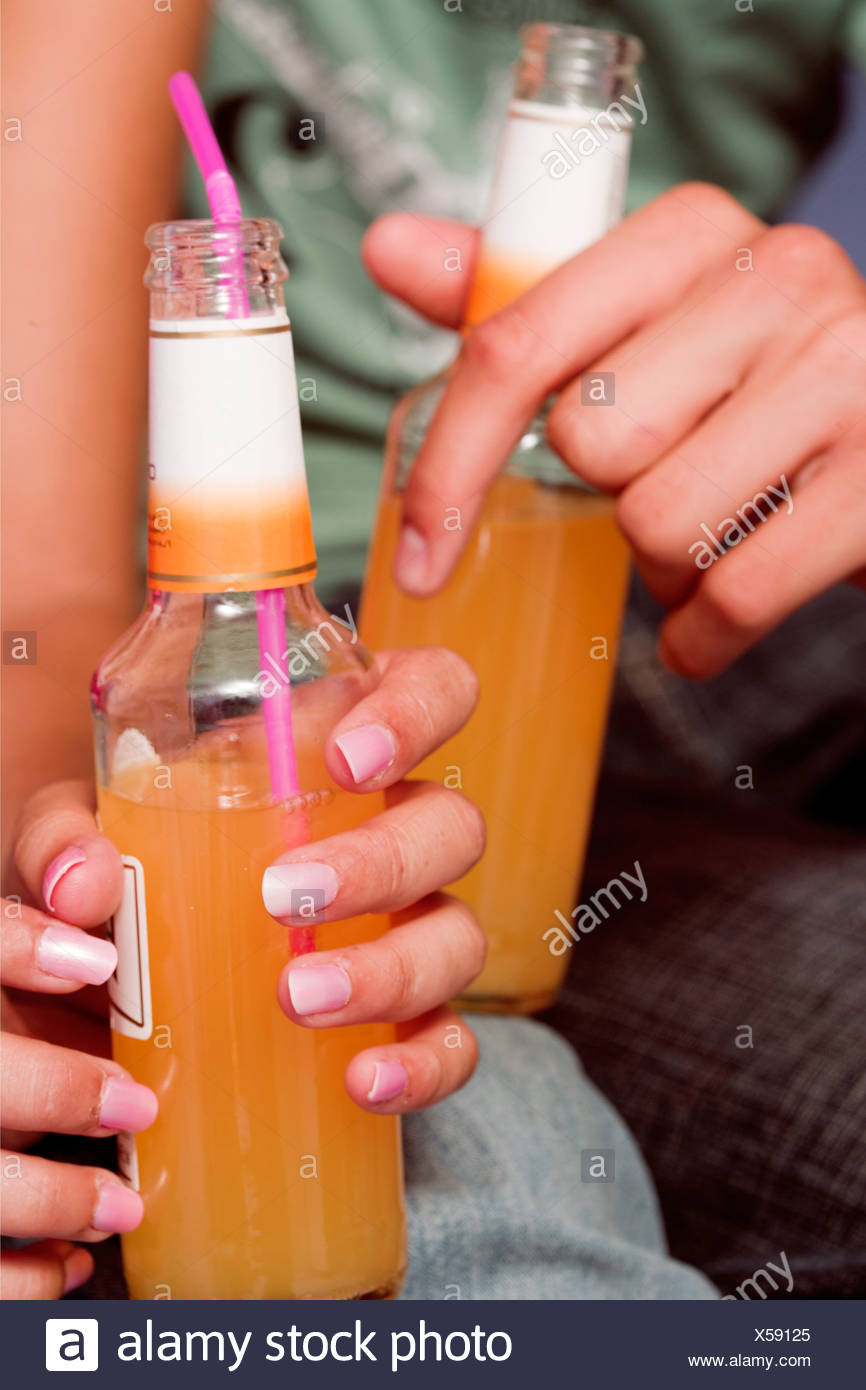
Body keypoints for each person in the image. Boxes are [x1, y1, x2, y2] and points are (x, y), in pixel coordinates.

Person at [4, 0, 864, 1298]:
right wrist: (67, 848)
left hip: (696, 528)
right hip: (289, 652)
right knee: (478, 1139)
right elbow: (39, 584)